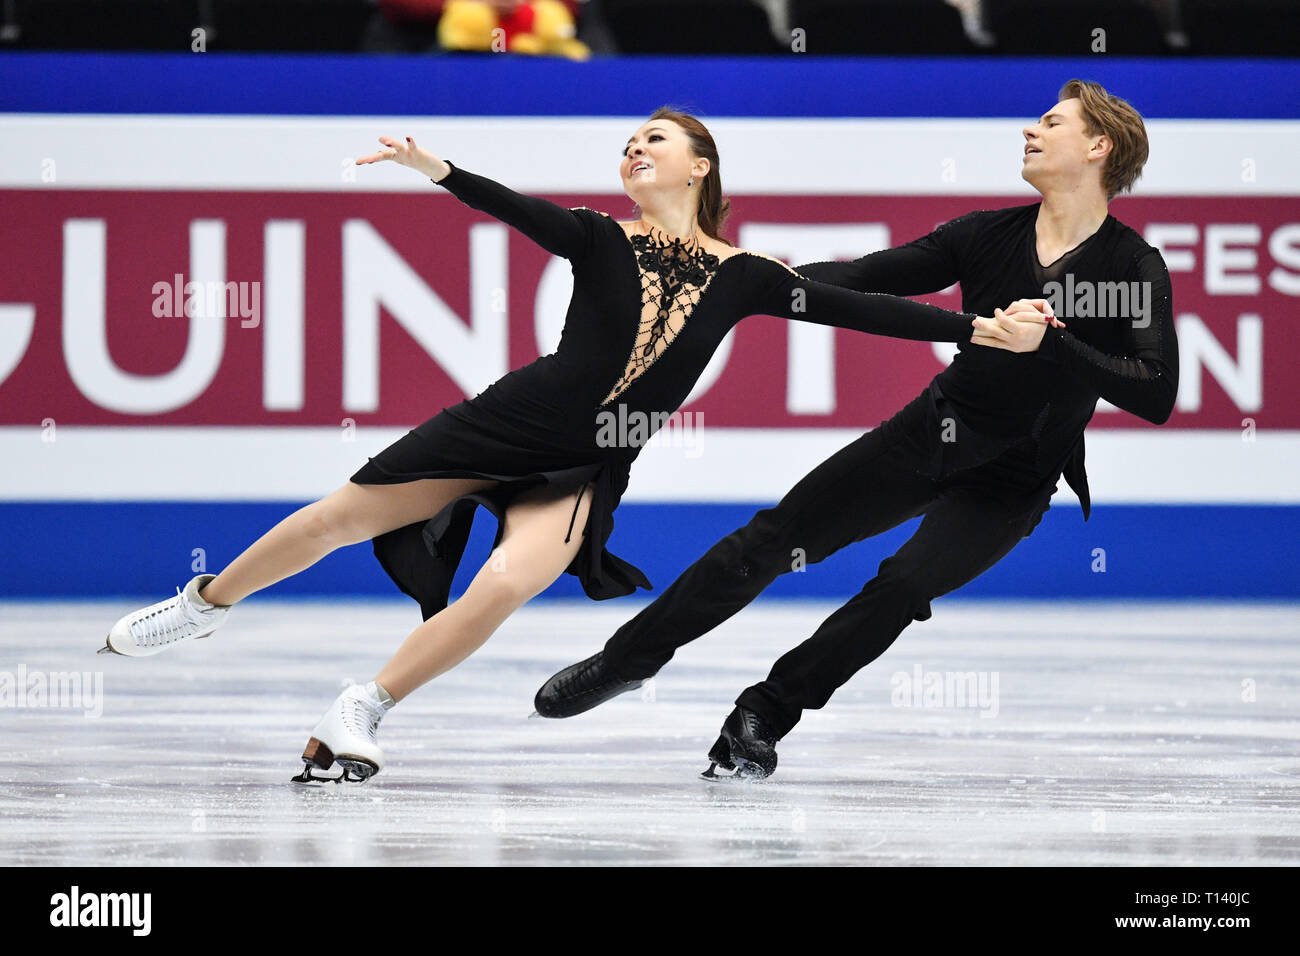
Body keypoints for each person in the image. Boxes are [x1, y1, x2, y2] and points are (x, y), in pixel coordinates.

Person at [98, 107, 1033, 784]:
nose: (635, 150)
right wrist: (438, 169)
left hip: (588, 461)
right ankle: (204, 603)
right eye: (627, 144)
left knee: (508, 581)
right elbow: (516, 209)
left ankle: (364, 706)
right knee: (337, 518)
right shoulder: (596, 237)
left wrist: (973, 329)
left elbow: (854, 309)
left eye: (655, 140)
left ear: (700, 166)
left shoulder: (748, 275)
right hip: (508, 422)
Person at [535, 80, 1180, 780]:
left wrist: (1052, 342)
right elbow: (867, 276)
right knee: (773, 539)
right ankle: (628, 660)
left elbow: (1155, 392)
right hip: (930, 434)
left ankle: (764, 713)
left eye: (1052, 123)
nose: (1030, 130)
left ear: (1098, 146)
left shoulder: (1131, 266)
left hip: (1014, 481)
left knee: (902, 586)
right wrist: (755, 284)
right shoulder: (986, 234)